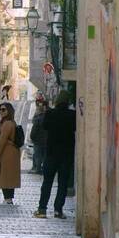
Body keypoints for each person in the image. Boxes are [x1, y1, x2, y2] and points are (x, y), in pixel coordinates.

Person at [35, 91, 77, 219]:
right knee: (63, 183)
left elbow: (45, 126)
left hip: (51, 154)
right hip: (66, 155)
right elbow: (75, 129)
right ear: (68, 101)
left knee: (47, 182)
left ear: (57, 100)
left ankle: (42, 209)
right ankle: (58, 210)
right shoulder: (72, 115)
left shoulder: (50, 113)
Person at [0, 102, 21, 205]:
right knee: (9, 176)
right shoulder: (10, 122)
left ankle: (8, 199)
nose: (1, 111)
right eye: (0, 109)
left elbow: (2, 142)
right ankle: (9, 199)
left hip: (7, 153)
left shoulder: (6, 123)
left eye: (4, 109)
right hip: (11, 153)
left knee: (5, 176)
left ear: (9, 110)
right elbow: (2, 136)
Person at [30, 100, 49, 174]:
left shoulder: (37, 119)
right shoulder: (47, 118)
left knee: (38, 155)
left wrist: (32, 138)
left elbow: (34, 131)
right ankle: (44, 169)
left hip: (38, 141)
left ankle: (38, 169)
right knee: (45, 156)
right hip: (46, 140)